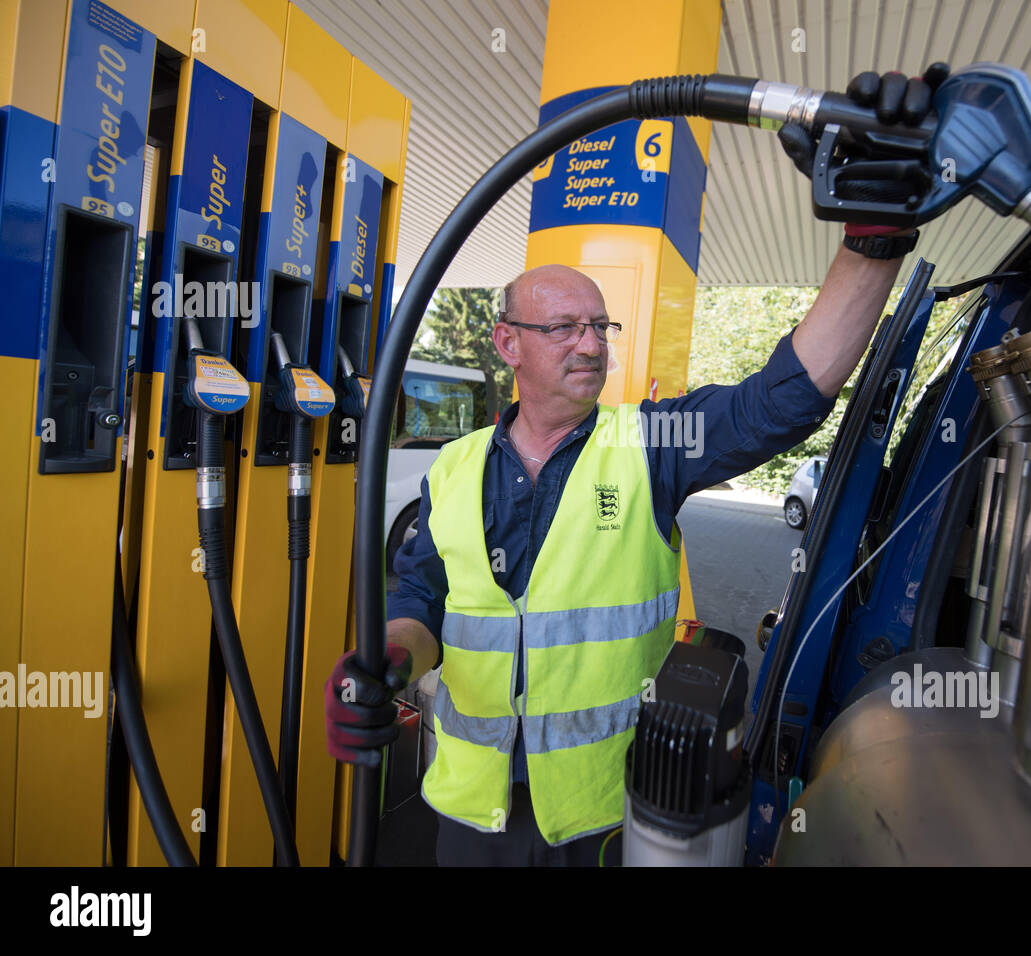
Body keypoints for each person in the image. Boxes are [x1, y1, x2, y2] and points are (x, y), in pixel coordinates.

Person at [325, 64, 949, 866]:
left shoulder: (650, 442)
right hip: (468, 813)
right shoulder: (452, 468)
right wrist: (386, 662)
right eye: (563, 328)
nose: (591, 343)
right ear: (507, 344)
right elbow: (419, 599)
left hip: (601, 815)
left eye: (600, 325)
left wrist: (872, 242)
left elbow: (781, 402)